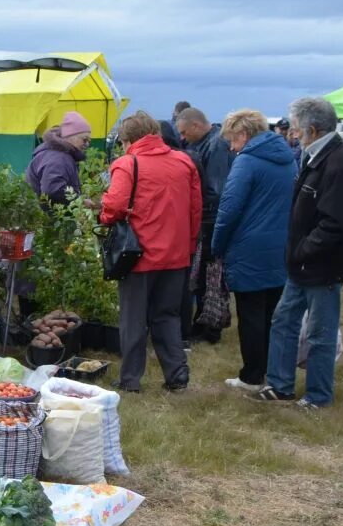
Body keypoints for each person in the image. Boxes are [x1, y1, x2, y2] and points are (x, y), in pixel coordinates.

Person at [253, 96, 343, 410]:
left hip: (322, 265)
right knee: (284, 321)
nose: (293, 134)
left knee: (320, 332)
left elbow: (337, 222)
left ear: (313, 129)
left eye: (297, 130)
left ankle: (318, 395)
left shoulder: (338, 161)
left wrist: (303, 249)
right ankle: (281, 386)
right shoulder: (317, 156)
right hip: (302, 264)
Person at [100, 111, 201, 393]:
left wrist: (104, 216)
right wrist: (189, 246)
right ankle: (177, 375)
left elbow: (115, 205)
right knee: (167, 316)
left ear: (128, 139)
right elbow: (195, 209)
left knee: (133, 319)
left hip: (138, 254)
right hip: (176, 254)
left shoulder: (127, 163)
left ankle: (130, 379)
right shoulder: (184, 161)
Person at [211, 109, 297, 393]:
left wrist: (217, 245)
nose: (232, 148)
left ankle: (251, 376)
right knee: (273, 315)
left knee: (250, 316)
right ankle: (274, 372)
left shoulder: (247, 161)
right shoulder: (288, 159)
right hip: (280, 246)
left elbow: (229, 207)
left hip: (249, 248)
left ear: (243, 135)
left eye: (233, 141)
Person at [176, 106, 233, 344]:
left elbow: (215, 190)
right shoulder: (204, 143)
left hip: (211, 220)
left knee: (211, 277)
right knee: (201, 277)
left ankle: (211, 326)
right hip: (206, 219)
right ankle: (203, 321)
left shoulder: (216, 145)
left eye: (184, 132)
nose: (182, 138)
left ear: (196, 126)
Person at [24, 111, 91, 205]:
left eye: (89, 141)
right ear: (70, 137)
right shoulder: (58, 159)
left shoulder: (60, 154)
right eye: (84, 139)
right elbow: (53, 190)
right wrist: (80, 201)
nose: (87, 144)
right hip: (48, 217)